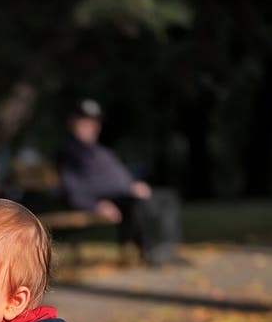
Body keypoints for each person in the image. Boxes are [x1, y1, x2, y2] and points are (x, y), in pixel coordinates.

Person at [56, 98, 183, 266]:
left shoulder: (101, 151)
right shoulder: (68, 151)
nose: (92, 126)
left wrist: (133, 185)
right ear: (73, 122)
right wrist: (94, 205)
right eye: (86, 121)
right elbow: (72, 187)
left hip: (125, 194)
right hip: (106, 200)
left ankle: (169, 250)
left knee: (167, 197)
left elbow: (120, 176)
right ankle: (153, 253)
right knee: (141, 205)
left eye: (95, 122)